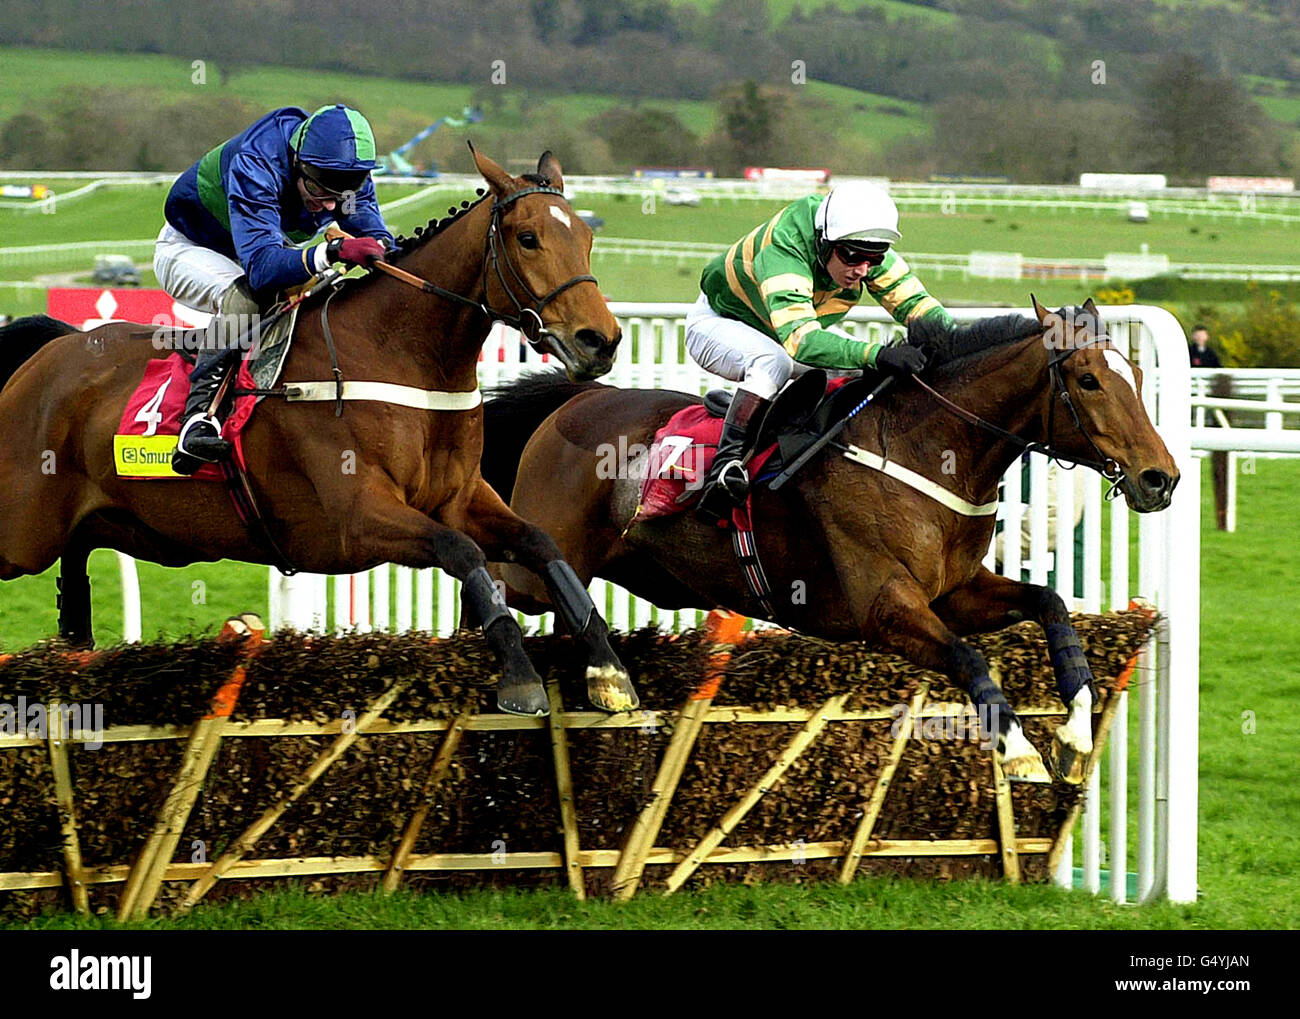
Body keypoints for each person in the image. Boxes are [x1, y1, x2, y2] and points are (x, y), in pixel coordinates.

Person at [685, 180, 954, 522]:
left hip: (781, 327)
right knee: (774, 363)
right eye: (853, 257)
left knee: (861, 372)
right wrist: (879, 354)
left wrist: (961, 345)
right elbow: (802, 341)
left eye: (875, 259)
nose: (862, 269)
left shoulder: (859, 241)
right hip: (719, 323)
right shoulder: (785, 245)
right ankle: (725, 469)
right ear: (826, 241)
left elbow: (916, 305)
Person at [154, 104, 395, 473]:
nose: (330, 205)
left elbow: (374, 234)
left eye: (340, 195)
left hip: (259, 248)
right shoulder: (259, 160)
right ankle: (198, 419)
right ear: (299, 163)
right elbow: (263, 270)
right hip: (191, 248)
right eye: (319, 190)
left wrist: (387, 249)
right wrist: (332, 250)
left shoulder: (342, 170)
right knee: (246, 298)